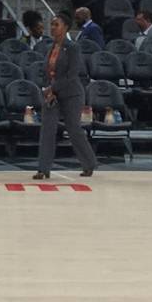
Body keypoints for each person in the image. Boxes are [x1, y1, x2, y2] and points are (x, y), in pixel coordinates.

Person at [34, 12, 98, 181]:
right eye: (52, 24)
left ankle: (89, 163)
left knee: (73, 129)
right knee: (47, 129)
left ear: (66, 27)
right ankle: (43, 169)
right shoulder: (50, 47)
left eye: (56, 25)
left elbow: (72, 74)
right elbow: (46, 72)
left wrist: (52, 89)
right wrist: (46, 89)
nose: (53, 28)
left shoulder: (72, 47)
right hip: (52, 94)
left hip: (71, 93)